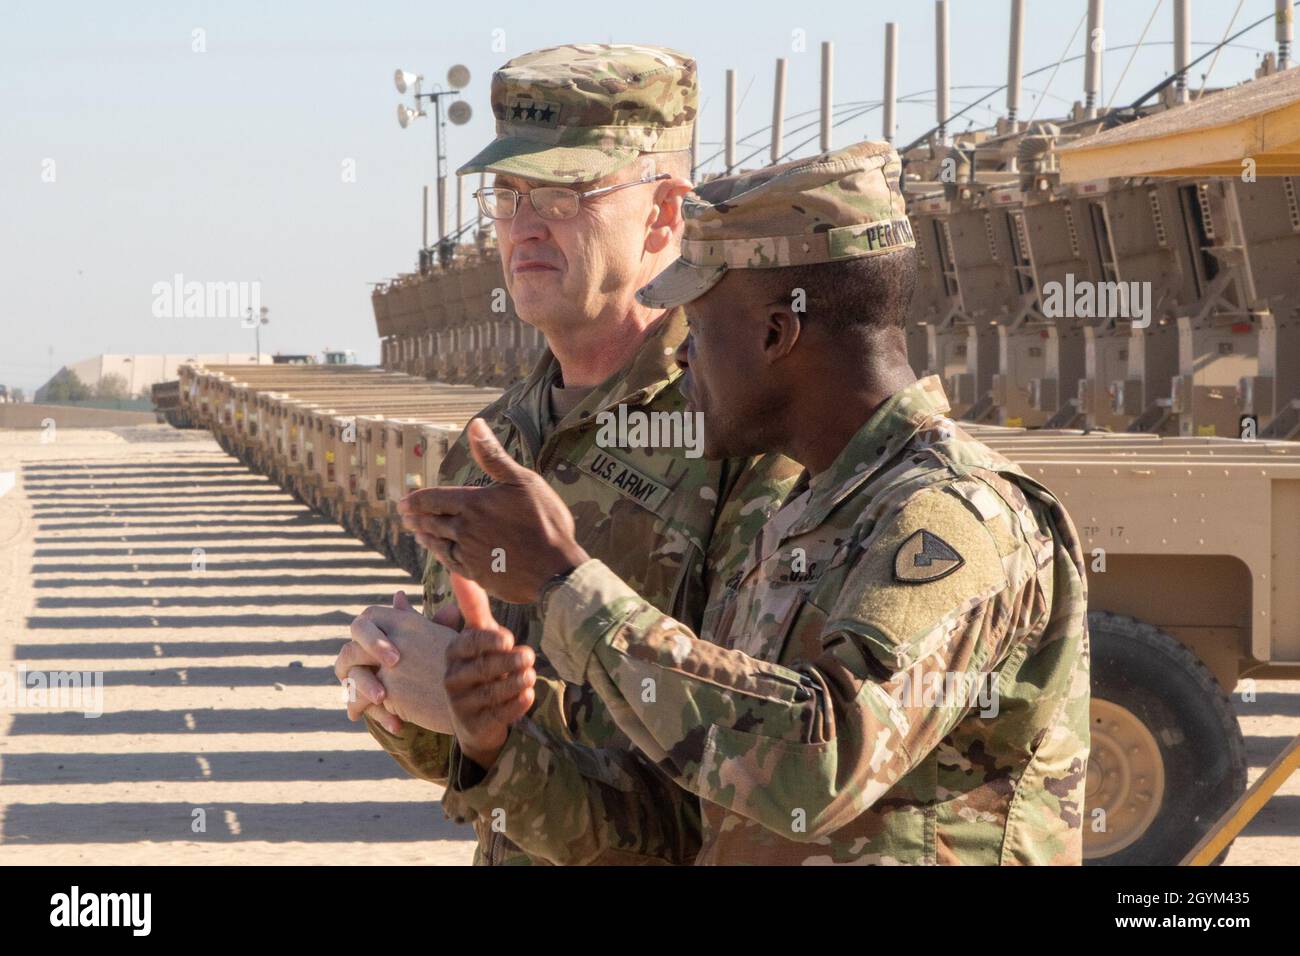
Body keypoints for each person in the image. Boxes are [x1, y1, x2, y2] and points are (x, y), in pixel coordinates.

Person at [402, 140, 1092, 864]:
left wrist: (565, 582)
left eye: (697, 328)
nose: (678, 357)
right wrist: (493, 734)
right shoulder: (800, 520)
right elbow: (681, 826)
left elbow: (822, 763)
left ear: (776, 331)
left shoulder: (954, 517)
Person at [332, 42, 799, 866]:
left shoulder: (743, 432)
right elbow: (474, 762)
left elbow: (764, 777)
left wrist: (498, 723)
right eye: (507, 196)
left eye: (566, 193)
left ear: (664, 213)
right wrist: (398, 689)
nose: (525, 226)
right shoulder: (496, 438)